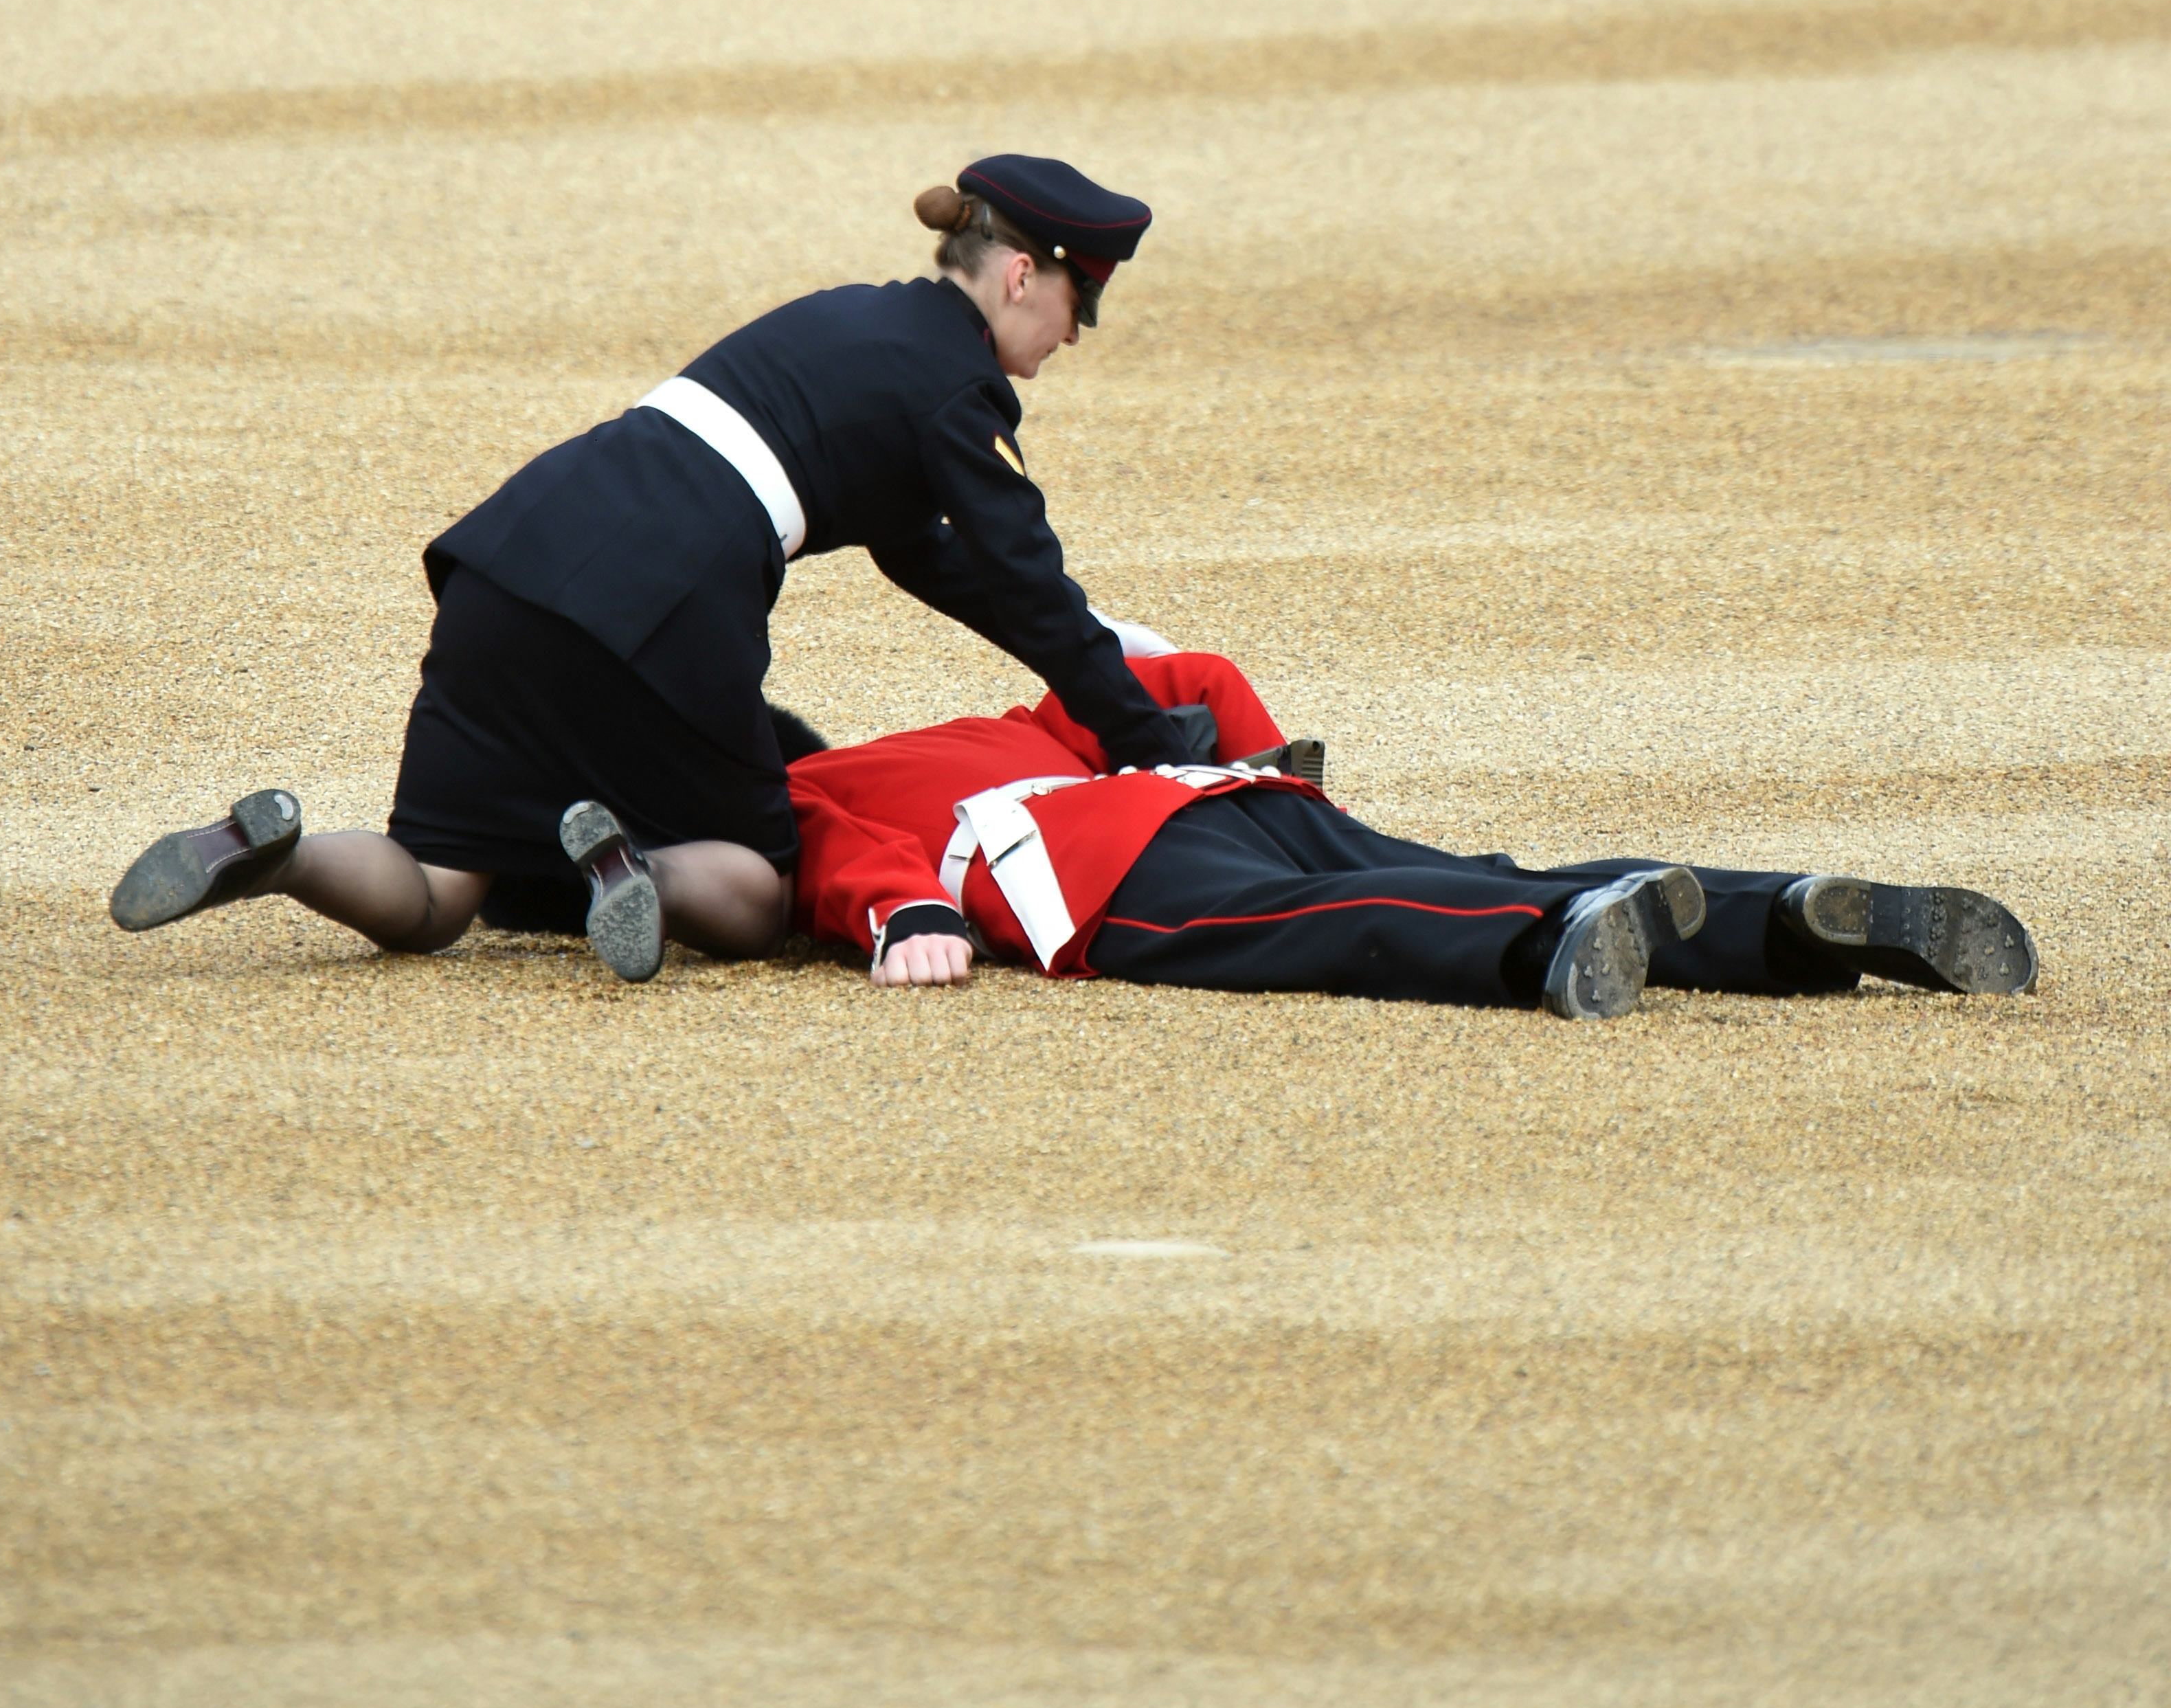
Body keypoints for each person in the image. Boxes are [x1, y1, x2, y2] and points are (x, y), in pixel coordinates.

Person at [106, 159, 1216, 976]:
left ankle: (277, 853)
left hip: (517, 552)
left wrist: (1113, 686)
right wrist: (1152, 744)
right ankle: (632, 870)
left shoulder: (851, 320)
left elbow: (928, 557)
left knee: (437, 892)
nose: (1078, 334)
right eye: (1082, 303)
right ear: (1023, 275)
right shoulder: (962, 391)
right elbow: (1029, 586)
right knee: (761, 886)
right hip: (667, 598)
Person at [783, 640, 2042, 1019]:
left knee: (1323, 927)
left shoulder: (804, 782)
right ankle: (1788, 916)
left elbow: (836, 853)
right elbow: (1189, 678)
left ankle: (1551, 938)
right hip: (1228, 789)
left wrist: (915, 915)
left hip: (1087, 867)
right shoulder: (978, 727)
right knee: (1462, 870)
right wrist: (1278, 783)